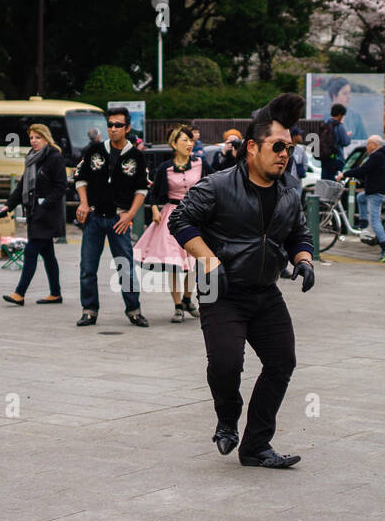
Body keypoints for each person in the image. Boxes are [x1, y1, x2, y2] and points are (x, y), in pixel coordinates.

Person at [169, 93, 315, 469]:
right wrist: (208, 257)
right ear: (252, 147)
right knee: (226, 364)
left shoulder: (290, 190)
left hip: (264, 291)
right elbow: (180, 221)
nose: (285, 154)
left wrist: (304, 259)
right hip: (219, 289)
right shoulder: (217, 186)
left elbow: (298, 233)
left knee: (282, 362)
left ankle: (255, 446)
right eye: (277, 146)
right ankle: (227, 417)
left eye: (290, 147)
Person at [74, 106, 149, 327]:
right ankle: (89, 310)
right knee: (87, 266)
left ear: (127, 128)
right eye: (110, 124)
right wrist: (84, 203)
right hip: (95, 217)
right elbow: (80, 177)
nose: (113, 129)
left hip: (120, 219)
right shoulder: (95, 150)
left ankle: (134, 310)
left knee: (125, 265)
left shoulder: (137, 156)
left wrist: (131, 215)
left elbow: (142, 189)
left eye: (118, 125)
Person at [135, 124, 211, 321]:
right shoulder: (165, 168)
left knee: (194, 261)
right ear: (174, 144)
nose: (189, 144)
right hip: (173, 216)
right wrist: (153, 209)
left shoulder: (201, 164)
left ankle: (188, 298)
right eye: (184, 140)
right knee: (175, 263)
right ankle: (178, 305)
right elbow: (153, 193)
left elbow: (214, 184)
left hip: (196, 214)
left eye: (190, 140)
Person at [0, 123, 66, 305]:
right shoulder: (31, 157)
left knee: (31, 252)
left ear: (46, 138)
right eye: (31, 138)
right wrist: (8, 206)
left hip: (47, 215)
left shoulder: (54, 157)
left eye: (38, 137)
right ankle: (56, 294)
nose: (34, 141)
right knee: (48, 255)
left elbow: (61, 186)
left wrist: (44, 205)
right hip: (34, 213)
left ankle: (19, 293)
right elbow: (22, 186)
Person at [341, 135, 385, 260]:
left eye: (368, 144)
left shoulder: (377, 156)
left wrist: (344, 174)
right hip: (378, 190)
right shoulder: (381, 156)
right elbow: (370, 171)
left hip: (376, 193)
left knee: (375, 220)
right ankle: (364, 223)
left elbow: (363, 169)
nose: (366, 146)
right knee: (360, 197)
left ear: (375, 145)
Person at [324, 76, 367, 144]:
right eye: (344, 93)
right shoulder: (324, 117)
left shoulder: (356, 116)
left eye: (349, 93)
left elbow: (364, 141)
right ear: (334, 96)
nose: (349, 97)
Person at [324, 103, 349, 181]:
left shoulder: (324, 124)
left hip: (325, 158)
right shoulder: (339, 126)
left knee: (325, 183)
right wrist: (348, 135)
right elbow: (345, 142)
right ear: (340, 114)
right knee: (335, 185)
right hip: (337, 159)